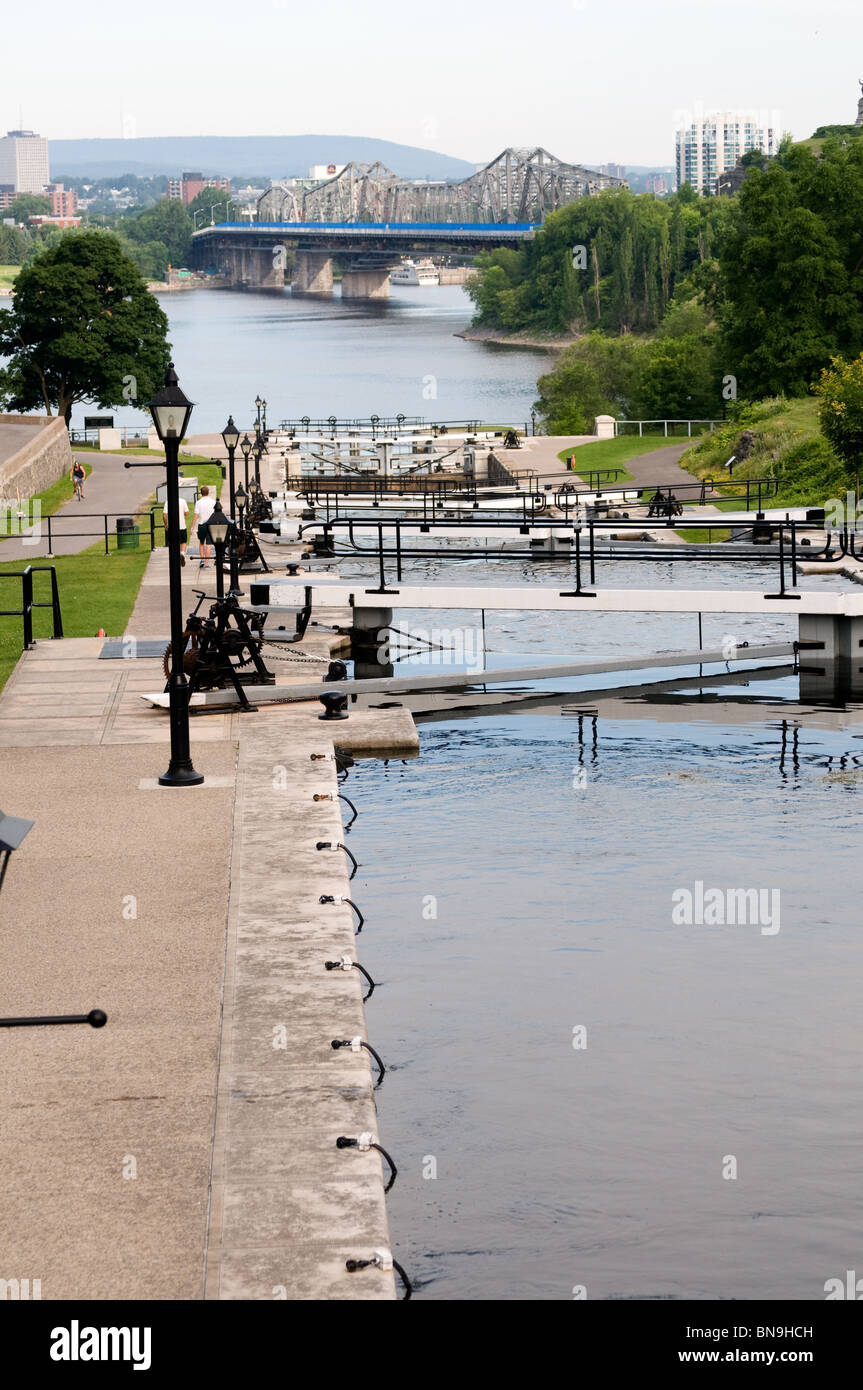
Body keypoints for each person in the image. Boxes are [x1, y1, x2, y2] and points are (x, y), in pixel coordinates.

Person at [192, 486, 216, 569]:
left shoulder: (198, 503)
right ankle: (206, 564)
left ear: (201, 493)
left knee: (201, 543)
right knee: (208, 545)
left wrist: (192, 527)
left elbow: (195, 515)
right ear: (208, 492)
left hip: (201, 525)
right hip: (210, 525)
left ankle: (202, 559)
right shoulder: (213, 502)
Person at [163, 491, 190, 566]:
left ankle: (175, 558)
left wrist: (166, 524)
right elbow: (187, 513)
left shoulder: (168, 502)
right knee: (183, 541)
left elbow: (164, 515)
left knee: (173, 542)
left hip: (172, 527)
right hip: (182, 526)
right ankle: (182, 554)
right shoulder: (183, 501)